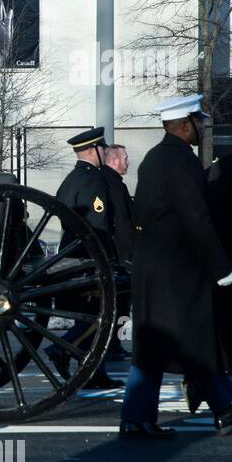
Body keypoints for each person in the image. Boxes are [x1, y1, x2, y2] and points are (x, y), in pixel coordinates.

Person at [120, 95, 232, 438]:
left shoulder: (155, 157)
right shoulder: (181, 161)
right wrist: (222, 268)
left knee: (157, 345)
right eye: (198, 122)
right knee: (195, 338)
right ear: (184, 125)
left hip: (154, 266)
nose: (202, 127)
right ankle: (221, 408)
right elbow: (196, 219)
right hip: (178, 268)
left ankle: (141, 418)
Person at [46, 128, 122, 389]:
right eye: (102, 148)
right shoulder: (94, 180)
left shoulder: (71, 179)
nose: (105, 152)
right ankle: (64, 349)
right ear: (93, 151)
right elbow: (98, 224)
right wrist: (109, 259)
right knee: (101, 317)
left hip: (71, 252)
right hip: (89, 257)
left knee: (88, 316)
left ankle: (94, 371)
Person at [102, 143, 134, 361]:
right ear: (114, 161)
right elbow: (122, 223)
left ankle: (115, 344)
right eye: (125, 158)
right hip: (120, 254)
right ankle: (114, 344)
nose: (128, 162)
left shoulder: (112, 183)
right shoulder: (113, 185)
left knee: (121, 304)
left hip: (117, 252)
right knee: (121, 303)